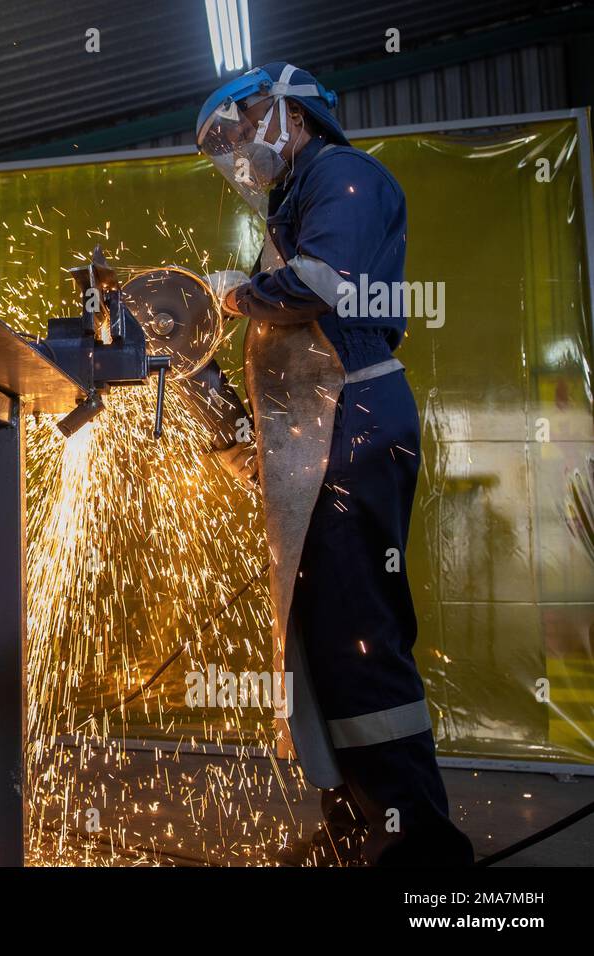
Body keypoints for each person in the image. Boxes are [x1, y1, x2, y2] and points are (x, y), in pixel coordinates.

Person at [191, 62, 473, 865]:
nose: (233, 149)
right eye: (220, 142)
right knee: (320, 643)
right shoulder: (292, 202)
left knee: (360, 635)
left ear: (291, 115)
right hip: (319, 432)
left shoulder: (344, 174)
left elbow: (325, 282)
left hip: (355, 419)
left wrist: (233, 296)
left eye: (239, 129)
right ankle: (358, 828)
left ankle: (419, 846)